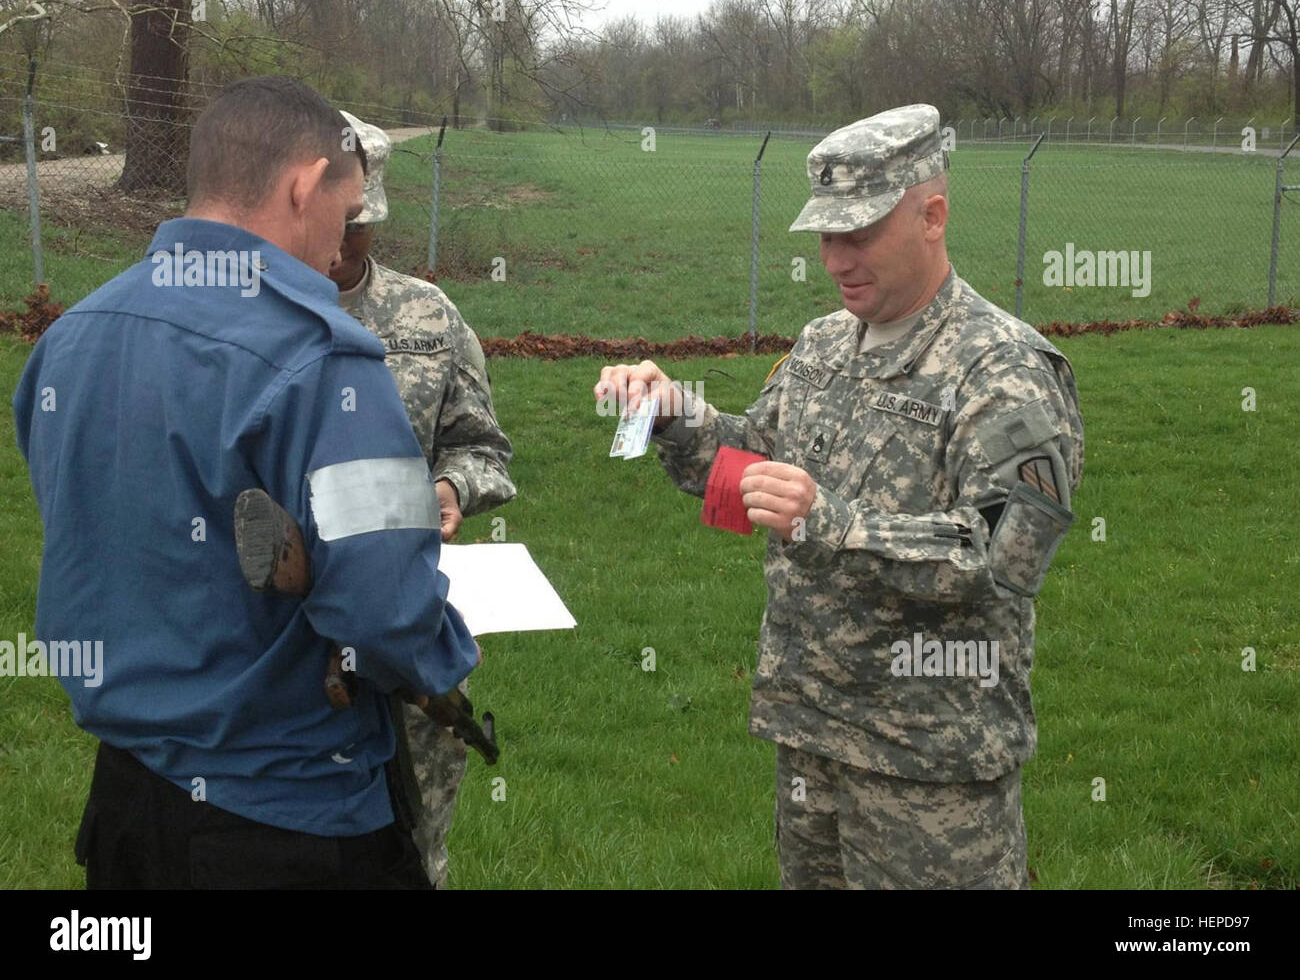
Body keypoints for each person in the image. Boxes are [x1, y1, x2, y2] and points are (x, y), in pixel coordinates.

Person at [593, 104, 1084, 890]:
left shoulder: (1003, 369)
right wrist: (676, 414)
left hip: (929, 767)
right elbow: (754, 463)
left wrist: (838, 524)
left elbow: (1004, 556)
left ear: (933, 216)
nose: (835, 259)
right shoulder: (824, 345)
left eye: (858, 234)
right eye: (826, 235)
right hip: (812, 735)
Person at [11, 75, 479, 890]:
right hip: (291, 817)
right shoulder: (328, 364)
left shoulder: (73, 341)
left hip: (126, 808)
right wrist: (446, 649)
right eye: (346, 206)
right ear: (304, 184)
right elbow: (384, 611)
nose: (344, 243)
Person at [329, 111, 516, 888]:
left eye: (360, 227)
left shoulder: (428, 316)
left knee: (414, 848)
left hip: (412, 635)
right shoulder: (241, 319)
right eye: (334, 223)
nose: (342, 245)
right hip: (289, 649)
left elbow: (483, 445)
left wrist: (452, 486)